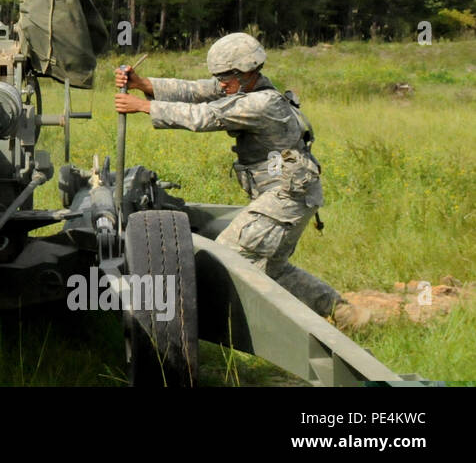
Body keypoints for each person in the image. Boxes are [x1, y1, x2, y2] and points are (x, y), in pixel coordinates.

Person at [113, 33, 371, 330]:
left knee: (227, 253)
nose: (220, 83)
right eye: (219, 77)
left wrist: (144, 106)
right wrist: (144, 85)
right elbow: (198, 91)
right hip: (287, 195)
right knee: (274, 271)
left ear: (246, 72)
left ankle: (231, 330)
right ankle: (345, 314)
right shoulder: (242, 86)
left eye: (225, 77)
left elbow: (205, 115)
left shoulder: (261, 103)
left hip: (287, 197)